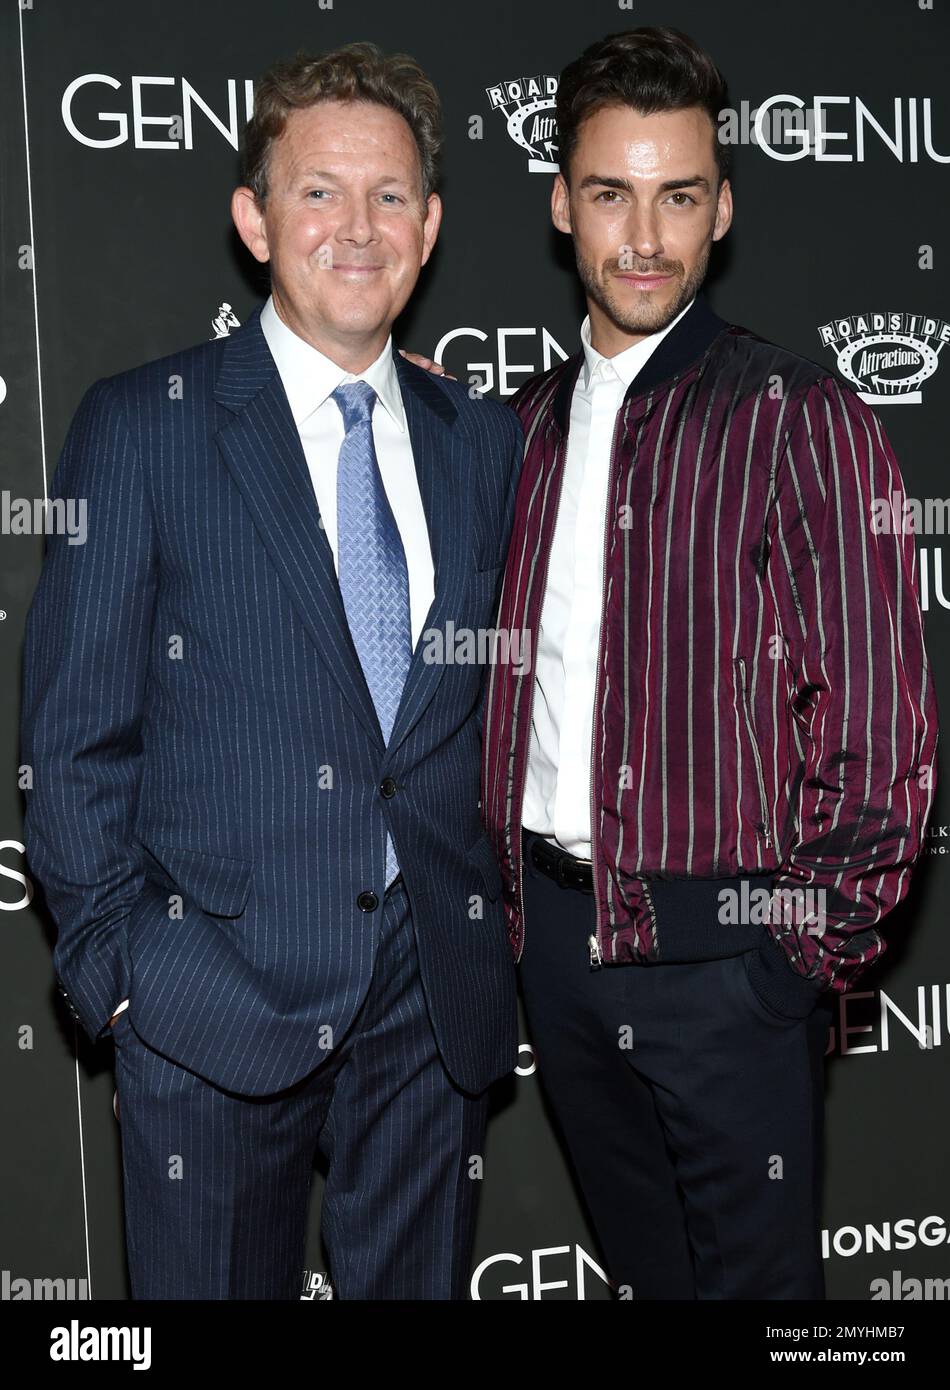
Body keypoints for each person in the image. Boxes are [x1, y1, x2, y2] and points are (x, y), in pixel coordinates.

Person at [21, 41, 523, 1301]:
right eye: (318, 192)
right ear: (254, 219)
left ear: (432, 223)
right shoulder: (145, 425)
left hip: (429, 1013)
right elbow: (75, 734)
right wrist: (123, 981)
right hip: (207, 1010)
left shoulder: (485, 444)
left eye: (390, 195)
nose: (357, 228)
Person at [480, 26, 939, 1299]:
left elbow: (881, 736)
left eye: (677, 197)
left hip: (729, 973)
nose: (643, 236)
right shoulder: (516, 432)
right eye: (612, 194)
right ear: (561, 203)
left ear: (721, 208)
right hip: (558, 960)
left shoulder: (798, 417)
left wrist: (787, 966)